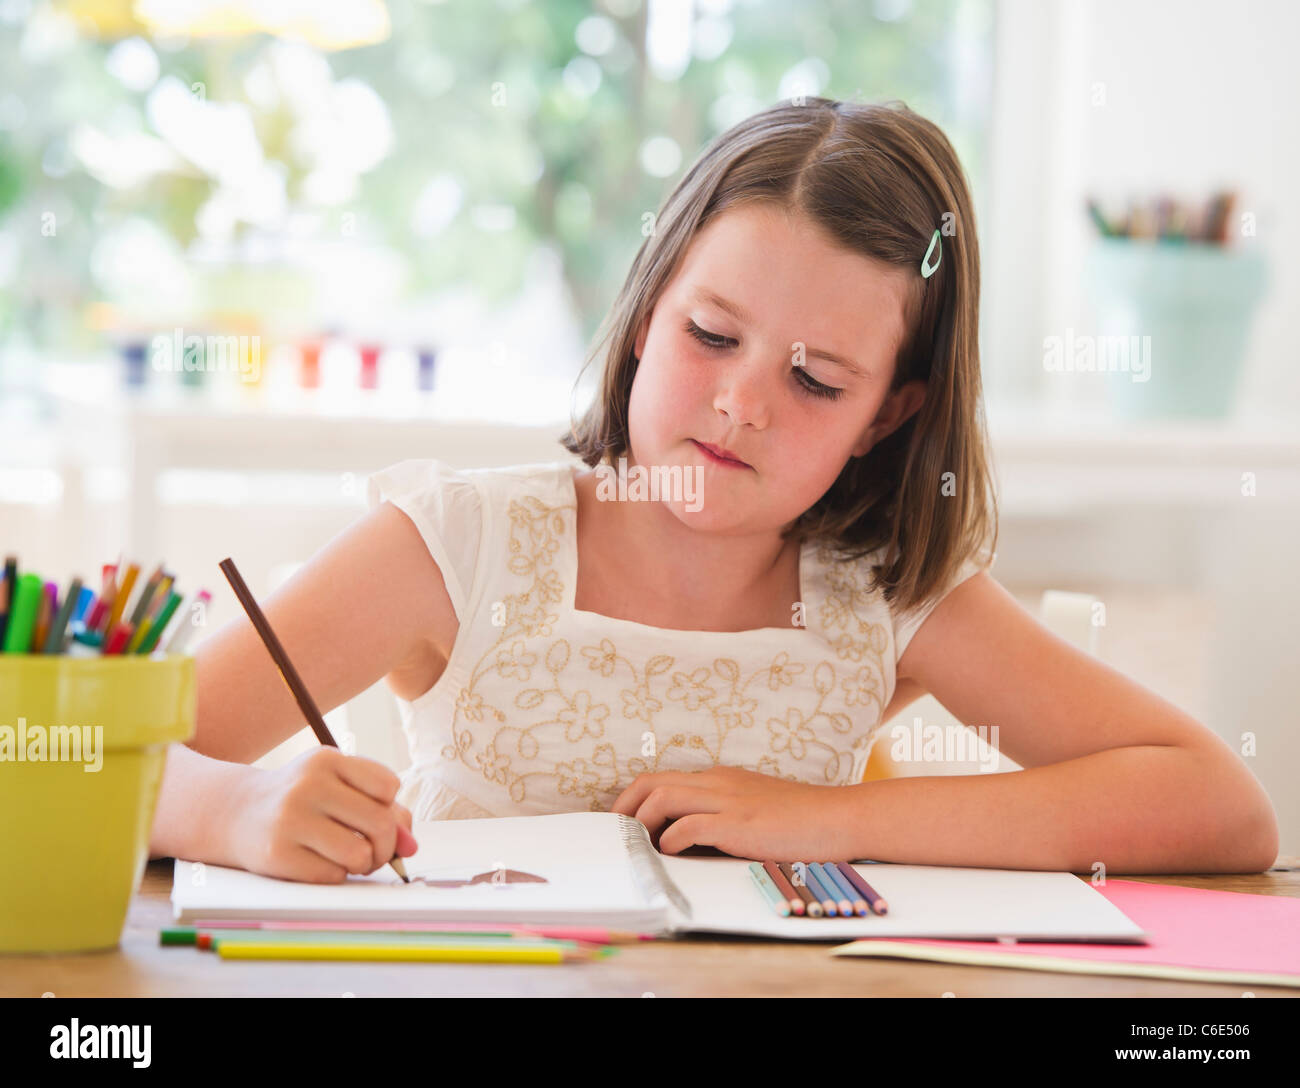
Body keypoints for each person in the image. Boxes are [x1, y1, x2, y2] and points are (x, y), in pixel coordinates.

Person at [148, 98, 1278, 882]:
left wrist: (835, 820)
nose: (742, 402)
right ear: (646, 314)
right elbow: (99, 772)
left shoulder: (886, 594)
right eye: (711, 332)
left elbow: (1220, 807)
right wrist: (239, 809)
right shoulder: (456, 541)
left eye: (815, 379)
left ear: (889, 413)